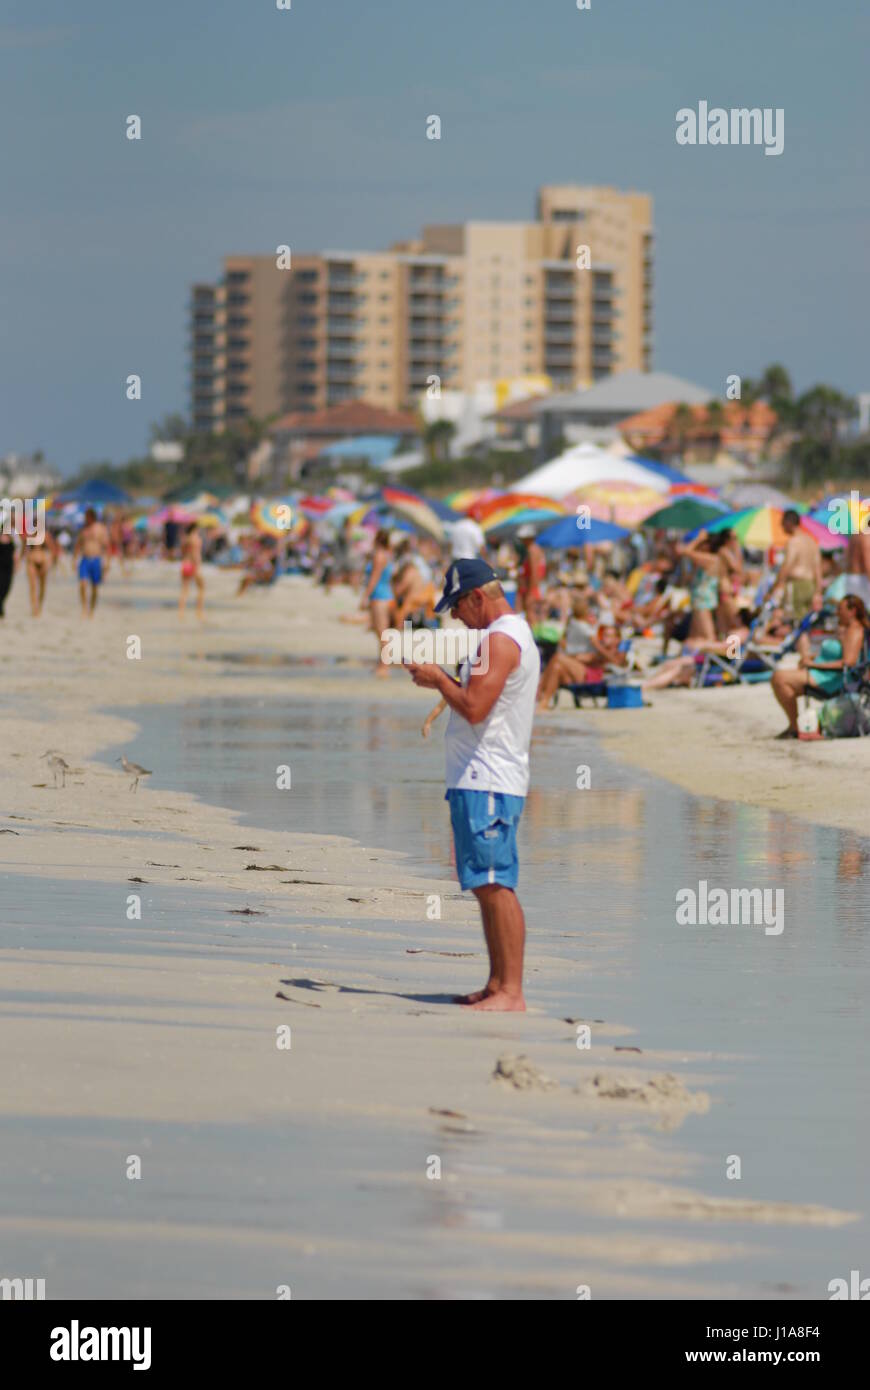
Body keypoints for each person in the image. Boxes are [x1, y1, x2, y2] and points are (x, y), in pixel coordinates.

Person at [407, 558, 540, 1012]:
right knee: (485, 882)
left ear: (477, 597)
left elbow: (476, 706)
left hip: (490, 778)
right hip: (479, 777)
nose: (455, 617)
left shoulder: (502, 639)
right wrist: (443, 684)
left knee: (495, 881)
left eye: (457, 607)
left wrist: (438, 679)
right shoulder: (499, 637)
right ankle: (497, 982)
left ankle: (511, 992)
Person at [770, 594, 870, 738]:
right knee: (782, 679)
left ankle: (795, 727)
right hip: (823, 674)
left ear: (852, 611)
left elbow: (848, 663)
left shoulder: (854, 631)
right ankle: (799, 725)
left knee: (780, 678)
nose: (837, 613)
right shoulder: (847, 629)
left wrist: (813, 665)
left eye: (840, 609)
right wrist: (811, 659)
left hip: (835, 679)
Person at [536, 592, 620, 710]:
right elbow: (588, 655)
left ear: (617, 638)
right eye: (605, 635)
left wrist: (601, 651)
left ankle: (538, 692)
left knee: (558, 658)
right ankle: (544, 701)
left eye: (610, 636)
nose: (606, 638)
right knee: (556, 668)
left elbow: (608, 659)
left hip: (590, 675)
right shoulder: (590, 635)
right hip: (581, 670)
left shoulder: (610, 649)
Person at [772, 510, 822, 627]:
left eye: (782, 523)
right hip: (810, 585)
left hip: (796, 585)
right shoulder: (811, 541)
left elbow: (787, 565)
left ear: (789, 523)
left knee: (795, 623)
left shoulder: (793, 541)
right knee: (804, 623)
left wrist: (777, 585)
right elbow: (818, 568)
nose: (781, 527)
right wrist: (818, 591)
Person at [361, 528, 394, 677]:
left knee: (381, 632)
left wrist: (365, 596)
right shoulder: (386, 555)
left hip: (379, 595)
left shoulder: (379, 556)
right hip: (383, 594)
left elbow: (374, 577)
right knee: (379, 630)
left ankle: (384, 666)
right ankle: (382, 663)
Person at [74, 508, 110, 617]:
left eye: (86, 517)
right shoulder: (83, 529)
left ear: (91, 517)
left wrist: (107, 562)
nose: (85, 519)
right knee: (83, 584)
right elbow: (78, 544)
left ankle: (92, 610)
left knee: (94, 587)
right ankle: (84, 607)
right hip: (85, 559)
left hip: (96, 559)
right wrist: (74, 559)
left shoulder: (100, 529)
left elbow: (106, 546)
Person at [25, 528, 59, 617]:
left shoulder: (46, 535)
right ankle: (34, 608)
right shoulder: (30, 535)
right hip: (32, 562)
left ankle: (39, 606)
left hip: (43, 562)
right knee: (33, 586)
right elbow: (25, 548)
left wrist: (50, 562)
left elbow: (53, 550)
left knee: (42, 587)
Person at [179, 522, 205, 620]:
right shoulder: (196, 539)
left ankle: (181, 612)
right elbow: (196, 555)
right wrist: (198, 566)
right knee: (201, 588)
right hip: (194, 565)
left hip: (185, 564)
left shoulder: (185, 539)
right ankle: (199, 611)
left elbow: (182, 552)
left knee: (184, 590)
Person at [0, 529, 15, 618]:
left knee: (6, 587)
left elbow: (14, 554)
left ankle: (1, 604)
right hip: (0, 568)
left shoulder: (11, 540)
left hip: (8, 568)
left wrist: (17, 564)